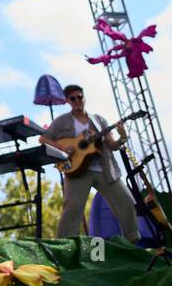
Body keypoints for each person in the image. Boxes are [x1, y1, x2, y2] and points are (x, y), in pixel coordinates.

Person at [39, 84, 140, 242]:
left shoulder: (99, 120)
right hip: (77, 171)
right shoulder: (61, 121)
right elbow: (43, 138)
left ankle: (133, 241)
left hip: (105, 170)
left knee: (126, 200)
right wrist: (63, 147)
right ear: (68, 101)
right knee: (72, 209)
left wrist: (123, 137)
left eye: (80, 97)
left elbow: (112, 145)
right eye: (73, 98)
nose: (78, 100)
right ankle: (63, 246)